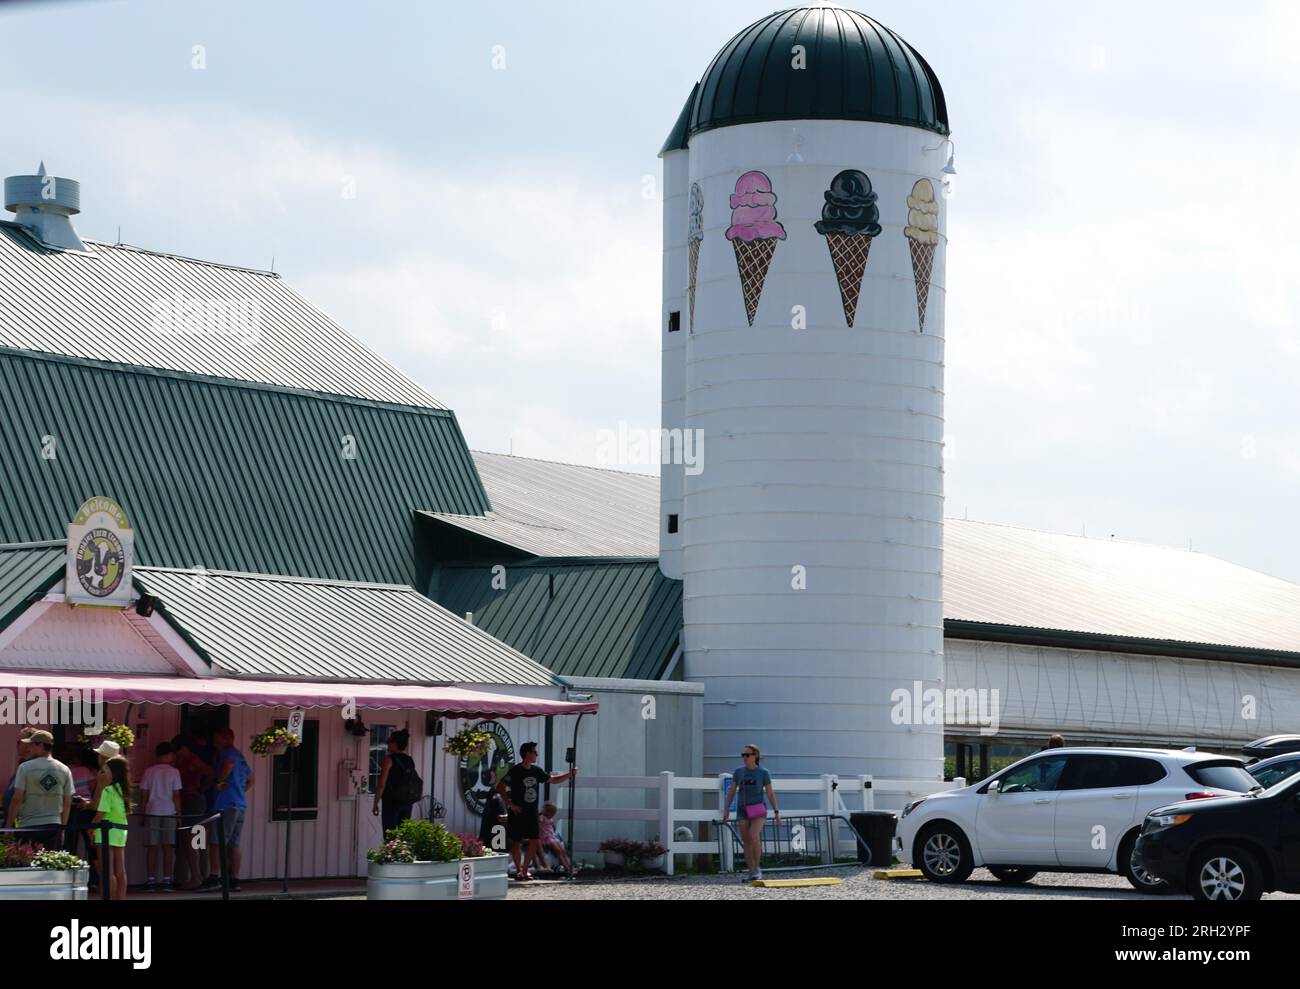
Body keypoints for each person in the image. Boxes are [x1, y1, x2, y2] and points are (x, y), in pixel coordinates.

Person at [497, 742, 577, 882]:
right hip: (517, 812)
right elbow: (501, 786)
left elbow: (552, 780)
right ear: (527, 754)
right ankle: (518, 871)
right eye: (534, 752)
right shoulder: (515, 771)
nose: (537, 754)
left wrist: (569, 774)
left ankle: (525, 870)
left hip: (532, 812)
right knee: (516, 841)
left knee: (534, 840)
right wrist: (510, 804)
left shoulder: (536, 771)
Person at [200, 727, 252, 893]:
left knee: (217, 840)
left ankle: (214, 876)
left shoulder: (228, 753)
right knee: (234, 843)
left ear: (225, 738)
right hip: (239, 804)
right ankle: (235, 879)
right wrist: (238, 791)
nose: (214, 742)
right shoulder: (240, 755)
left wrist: (219, 780)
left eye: (216, 738)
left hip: (226, 804)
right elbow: (252, 779)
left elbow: (228, 765)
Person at [721, 743, 781, 882]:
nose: (745, 757)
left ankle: (757, 868)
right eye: (743, 755)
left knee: (754, 835)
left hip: (758, 809)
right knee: (746, 840)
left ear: (755, 756)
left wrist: (777, 812)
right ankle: (751, 870)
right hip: (743, 809)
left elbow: (770, 793)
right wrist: (726, 809)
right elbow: (731, 791)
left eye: (747, 755)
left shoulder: (763, 773)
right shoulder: (738, 772)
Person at [5, 729, 73, 849]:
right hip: (54, 825)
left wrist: (9, 826)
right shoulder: (65, 770)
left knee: (26, 864)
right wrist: (63, 828)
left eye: (32, 744)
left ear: (40, 745)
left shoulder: (25, 768)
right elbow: (67, 803)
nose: (29, 748)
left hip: (28, 824)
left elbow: (17, 799)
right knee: (51, 864)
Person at [170, 734, 213, 889]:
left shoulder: (193, 760)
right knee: (186, 842)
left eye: (177, 749)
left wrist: (202, 788)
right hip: (184, 802)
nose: (175, 752)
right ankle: (190, 877)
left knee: (194, 841)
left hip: (193, 801)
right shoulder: (179, 761)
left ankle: (197, 877)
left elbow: (210, 773)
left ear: (184, 747)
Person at [140, 741, 182, 891]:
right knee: (168, 848)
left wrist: (142, 813)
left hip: (152, 811)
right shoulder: (174, 772)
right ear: (170, 755)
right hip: (169, 812)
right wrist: (179, 815)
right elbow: (176, 795)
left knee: (152, 847)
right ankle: (167, 880)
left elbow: (143, 795)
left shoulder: (149, 771)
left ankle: (150, 880)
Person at [90, 754, 131, 900]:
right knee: (120, 871)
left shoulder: (107, 790)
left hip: (105, 831)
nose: (102, 773)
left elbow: (100, 813)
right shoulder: (123, 790)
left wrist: (92, 828)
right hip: (120, 830)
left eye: (105, 770)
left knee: (107, 870)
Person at [372, 729, 419, 837]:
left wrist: (375, 803)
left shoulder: (388, 760)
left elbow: (381, 784)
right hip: (407, 802)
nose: (387, 743)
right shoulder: (409, 760)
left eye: (389, 741)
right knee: (404, 837)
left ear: (395, 744)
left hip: (391, 803)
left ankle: (392, 854)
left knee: (390, 837)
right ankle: (403, 854)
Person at [1, 727, 37, 824]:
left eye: (20, 742)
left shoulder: (33, 768)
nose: (17, 745)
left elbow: (18, 799)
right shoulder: (22, 766)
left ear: (30, 745)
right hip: (13, 821)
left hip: (22, 823)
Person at [538, 801, 573, 878]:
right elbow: (538, 823)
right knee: (558, 851)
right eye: (551, 814)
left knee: (563, 850)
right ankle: (567, 868)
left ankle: (569, 866)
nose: (552, 816)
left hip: (552, 836)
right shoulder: (542, 817)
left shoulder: (549, 818)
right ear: (546, 812)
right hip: (546, 838)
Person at [478, 786, 509, 854]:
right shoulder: (498, 800)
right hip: (498, 845)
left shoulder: (492, 800)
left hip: (492, 844)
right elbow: (503, 818)